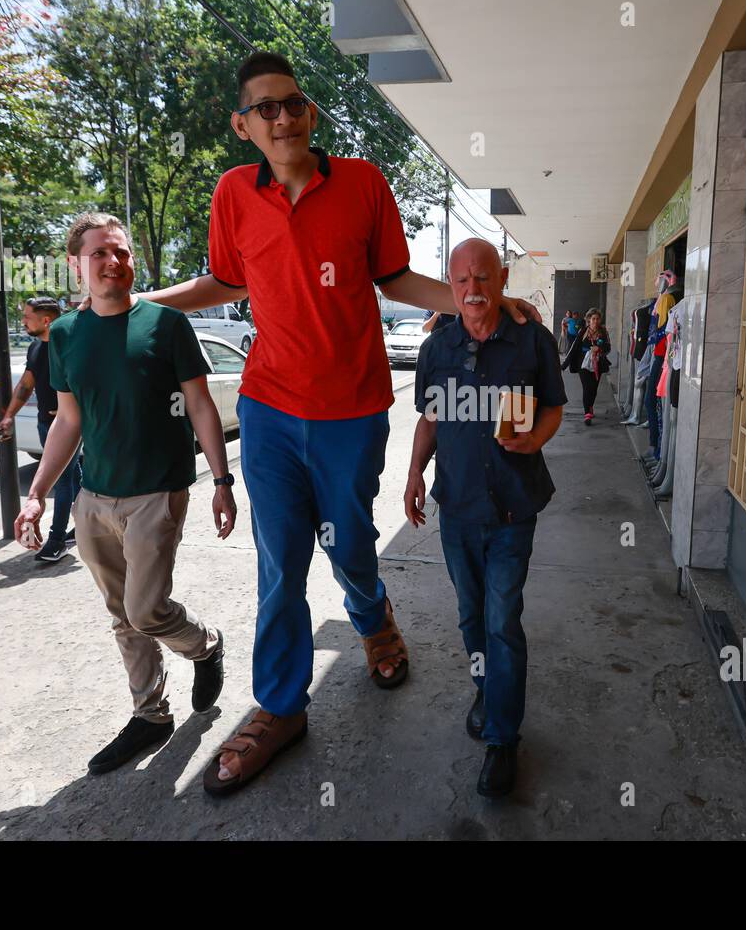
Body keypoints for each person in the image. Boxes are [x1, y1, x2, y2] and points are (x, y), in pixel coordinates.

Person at [79, 51, 542, 795]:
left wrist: (477, 301)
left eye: (294, 103)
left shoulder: (362, 183)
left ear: (310, 113)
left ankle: (372, 615)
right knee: (280, 562)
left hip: (353, 411)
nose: (284, 116)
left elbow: (396, 278)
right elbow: (226, 280)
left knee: (352, 543)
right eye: (266, 107)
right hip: (267, 410)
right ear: (243, 125)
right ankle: (281, 706)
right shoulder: (233, 193)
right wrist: (140, 304)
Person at [12, 213, 234, 776]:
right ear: (75, 265)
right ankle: (150, 713)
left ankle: (204, 645)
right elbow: (68, 421)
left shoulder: (166, 324)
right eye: (100, 255)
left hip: (157, 493)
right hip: (93, 499)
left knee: (145, 609)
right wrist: (37, 493)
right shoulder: (63, 334)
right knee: (120, 615)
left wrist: (222, 481)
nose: (114, 263)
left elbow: (202, 406)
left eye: (121, 252)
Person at [405, 239, 566, 798]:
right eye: (460, 281)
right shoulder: (437, 347)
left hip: (514, 506)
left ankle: (503, 739)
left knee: (502, 620)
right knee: (471, 617)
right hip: (458, 507)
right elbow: (428, 420)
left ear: (500, 279)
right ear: (450, 286)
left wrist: (534, 441)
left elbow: (553, 407)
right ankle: (486, 687)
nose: (472, 291)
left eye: (482, 278)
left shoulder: (531, 339)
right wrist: (412, 475)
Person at [0, 296, 80, 562]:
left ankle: (57, 540)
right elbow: (26, 385)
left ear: (46, 320)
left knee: (63, 480)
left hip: (67, 425)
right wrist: (9, 415)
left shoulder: (70, 345)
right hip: (45, 423)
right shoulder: (35, 348)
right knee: (75, 477)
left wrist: (71, 410)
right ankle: (87, 523)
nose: (23, 321)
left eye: (27, 317)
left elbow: (88, 382)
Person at [564, 307, 611, 424]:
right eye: (593, 319)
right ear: (589, 320)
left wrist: (599, 348)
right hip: (583, 363)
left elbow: (608, 347)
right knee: (587, 387)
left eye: (597, 319)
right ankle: (587, 413)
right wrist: (564, 364)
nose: (595, 321)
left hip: (597, 364)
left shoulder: (603, 332)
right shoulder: (583, 331)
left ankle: (590, 406)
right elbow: (574, 348)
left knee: (594, 389)